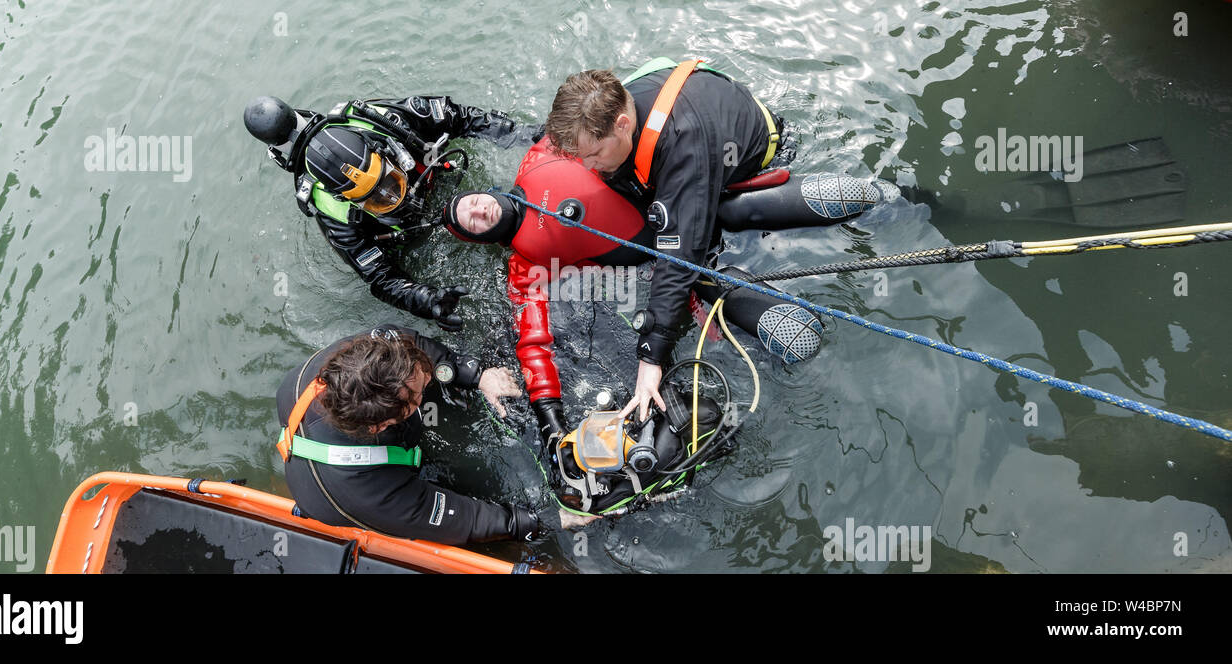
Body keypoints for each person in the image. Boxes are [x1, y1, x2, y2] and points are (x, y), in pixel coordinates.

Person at [442, 135, 892, 461]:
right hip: (668, 265)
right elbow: (533, 345)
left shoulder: (540, 155)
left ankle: (894, 202)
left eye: (473, 202)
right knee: (721, 289)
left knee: (738, 210)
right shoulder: (524, 269)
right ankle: (735, 293)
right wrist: (550, 420)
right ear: (482, 238)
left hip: (682, 206)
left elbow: (592, 120)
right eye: (472, 220)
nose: (478, 209)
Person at [542, 57, 898, 421]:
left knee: (689, 256)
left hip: (746, 162)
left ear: (622, 124)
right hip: (705, 147)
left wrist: (651, 356)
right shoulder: (608, 103)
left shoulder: (682, 143)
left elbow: (678, 253)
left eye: (595, 155)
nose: (588, 167)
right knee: (676, 221)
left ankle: (723, 284)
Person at [244, 94, 537, 330]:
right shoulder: (337, 216)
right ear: (350, 201)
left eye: (390, 182)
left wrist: (525, 137)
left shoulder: (387, 121)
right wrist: (426, 299)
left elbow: (461, 117)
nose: (393, 197)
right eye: (377, 199)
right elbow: (381, 277)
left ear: (388, 152)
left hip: (434, 180)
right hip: (398, 234)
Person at [274, 322, 538, 545]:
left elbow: (400, 340)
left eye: (420, 375)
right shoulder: (373, 495)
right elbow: (467, 520)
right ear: (380, 426)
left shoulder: (342, 363)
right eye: (416, 395)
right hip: (353, 495)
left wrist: (475, 374)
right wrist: (534, 521)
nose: (426, 376)